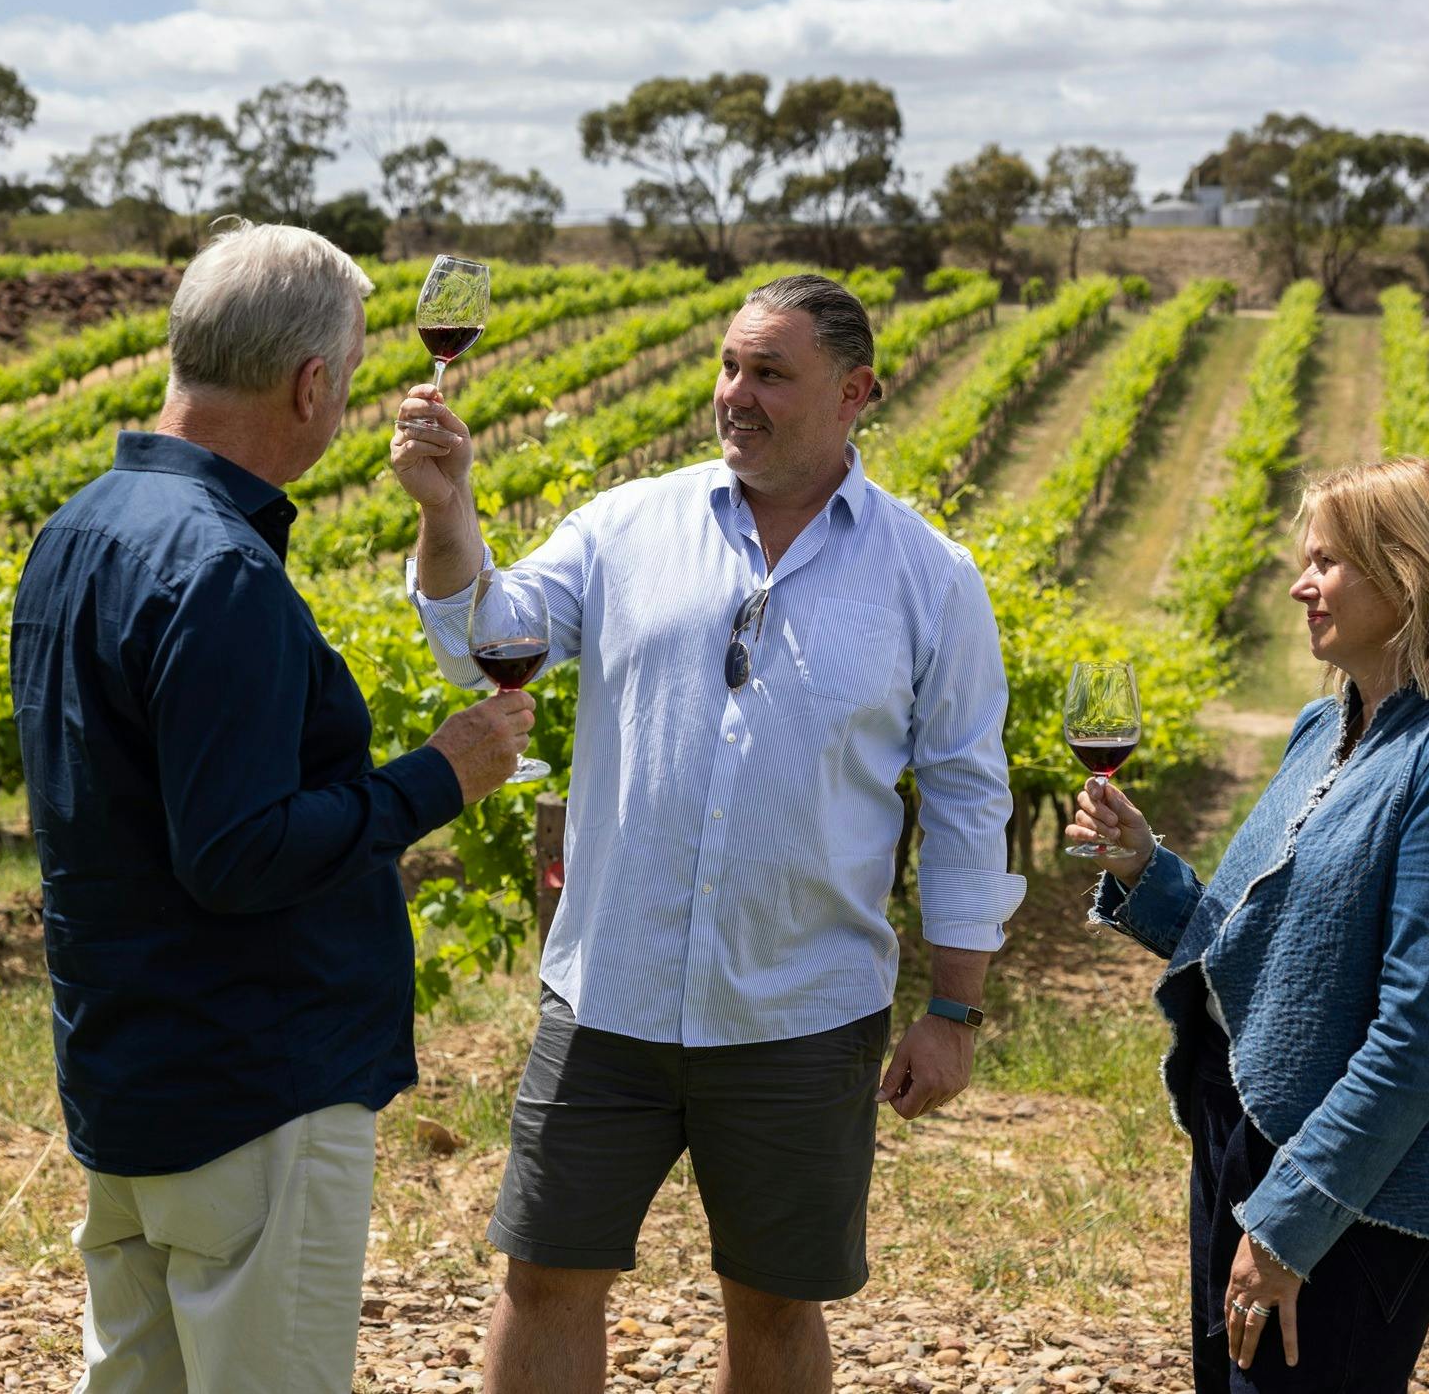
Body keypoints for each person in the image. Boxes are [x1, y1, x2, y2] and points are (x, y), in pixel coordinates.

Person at [388, 272, 1025, 1394]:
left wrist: (955, 1007)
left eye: (771, 372)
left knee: (778, 1305)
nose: (737, 393)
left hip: (802, 1014)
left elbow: (971, 796)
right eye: (731, 365)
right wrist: (449, 512)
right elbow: (485, 636)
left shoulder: (929, 576)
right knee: (542, 1279)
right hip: (608, 998)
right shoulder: (631, 525)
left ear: (855, 392)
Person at [10, 221, 537, 1394]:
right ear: (310, 386)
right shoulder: (222, 570)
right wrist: (436, 776)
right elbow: (237, 853)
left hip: (127, 1072)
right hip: (251, 1085)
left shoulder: (78, 528)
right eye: (345, 382)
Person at [1068, 456, 1429, 1394]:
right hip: (1240, 1135)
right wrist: (1141, 868)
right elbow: (1248, 942)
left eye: (1326, 562)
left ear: (1409, 572)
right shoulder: (1323, 730)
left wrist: (1290, 1217)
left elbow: (1417, 1041)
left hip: (1341, 1181)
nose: (1300, 584)